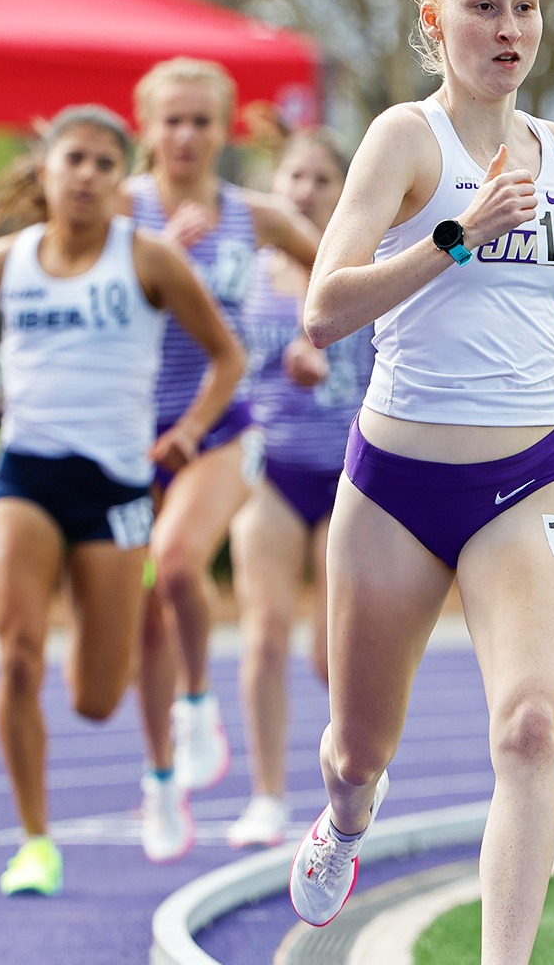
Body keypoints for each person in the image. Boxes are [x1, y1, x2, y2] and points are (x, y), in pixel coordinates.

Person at [286, 0, 554, 962]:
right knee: (356, 752)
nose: (509, 29)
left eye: (525, 7)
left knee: (529, 728)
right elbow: (323, 310)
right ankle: (347, 819)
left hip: (529, 478)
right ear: (435, 21)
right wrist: (458, 237)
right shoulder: (404, 140)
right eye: (485, 6)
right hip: (396, 489)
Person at [0, 105, 244, 890]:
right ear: (47, 169)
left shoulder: (150, 260)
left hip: (117, 490)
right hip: (26, 478)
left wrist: (190, 430)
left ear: (121, 179)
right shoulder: (2, 263)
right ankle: (36, 841)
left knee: (98, 699)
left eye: (106, 164)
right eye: (76, 159)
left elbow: (227, 357)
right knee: (17, 656)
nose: (89, 176)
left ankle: (88, 616)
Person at [124, 59, 322, 809]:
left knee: (178, 564)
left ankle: (197, 702)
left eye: (201, 121)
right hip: (130, 434)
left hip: (222, 427)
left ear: (223, 130)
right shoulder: (119, 209)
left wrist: (313, 337)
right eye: (172, 120)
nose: (186, 135)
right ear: (147, 128)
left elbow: (336, 269)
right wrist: (160, 258)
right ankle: (159, 774)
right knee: (145, 616)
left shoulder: (253, 216)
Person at [224, 129, 369, 849]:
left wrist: (326, 358)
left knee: (333, 655)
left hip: (350, 473)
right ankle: (266, 795)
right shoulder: (246, 272)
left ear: (345, 189)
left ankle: (354, 783)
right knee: (265, 633)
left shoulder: (364, 268)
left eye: (321, 179)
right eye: (294, 176)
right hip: (271, 470)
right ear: (272, 184)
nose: (305, 191)